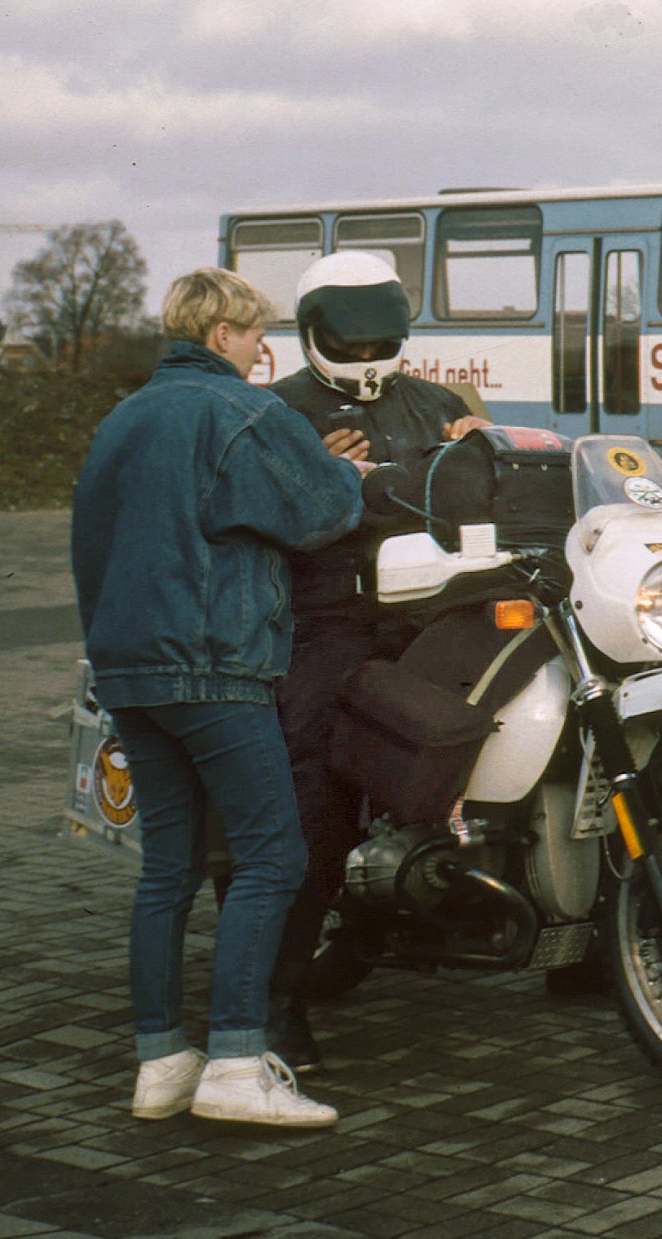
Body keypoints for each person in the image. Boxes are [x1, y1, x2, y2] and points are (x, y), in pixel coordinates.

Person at [72, 267, 371, 1126]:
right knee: (273, 856)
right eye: (253, 335)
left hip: (128, 670)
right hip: (215, 665)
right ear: (219, 335)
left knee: (168, 868)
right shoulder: (245, 411)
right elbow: (318, 511)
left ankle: (161, 1062)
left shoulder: (120, 419)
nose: (261, 349)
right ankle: (238, 1063)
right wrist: (339, 471)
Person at [263, 251, 489, 1070]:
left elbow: (483, 497)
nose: (365, 362)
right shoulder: (278, 410)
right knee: (314, 777)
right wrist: (320, 476)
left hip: (438, 613)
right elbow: (271, 522)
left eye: (378, 345)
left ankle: (593, 950)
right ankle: (278, 998)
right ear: (314, 333)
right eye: (349, 346)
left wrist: (484, 445)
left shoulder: (440, 403)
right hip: (332, 619)